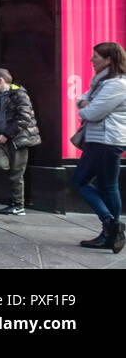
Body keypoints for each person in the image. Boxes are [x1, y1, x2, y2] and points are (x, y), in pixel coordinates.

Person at [72, 42, 126, 252]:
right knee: (107, 186)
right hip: (102, 140)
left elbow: (92, 112)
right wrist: (85, 105)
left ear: (108, 60)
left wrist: (86, 108)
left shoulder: (115, 85)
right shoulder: (102, 82)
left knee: (81, 180)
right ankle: (110, 234)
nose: (91, 60)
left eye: (96, 56)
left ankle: (111, 223)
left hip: (105, 140)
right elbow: (82, 100)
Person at [0, 68, 41, 215]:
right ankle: (15, 202)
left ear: (1, 80)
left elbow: (24, 118)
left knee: (16, 172)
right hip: (2, 139)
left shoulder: (19, 95)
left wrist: (6, 134)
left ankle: (18, 205)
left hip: (18, 140)